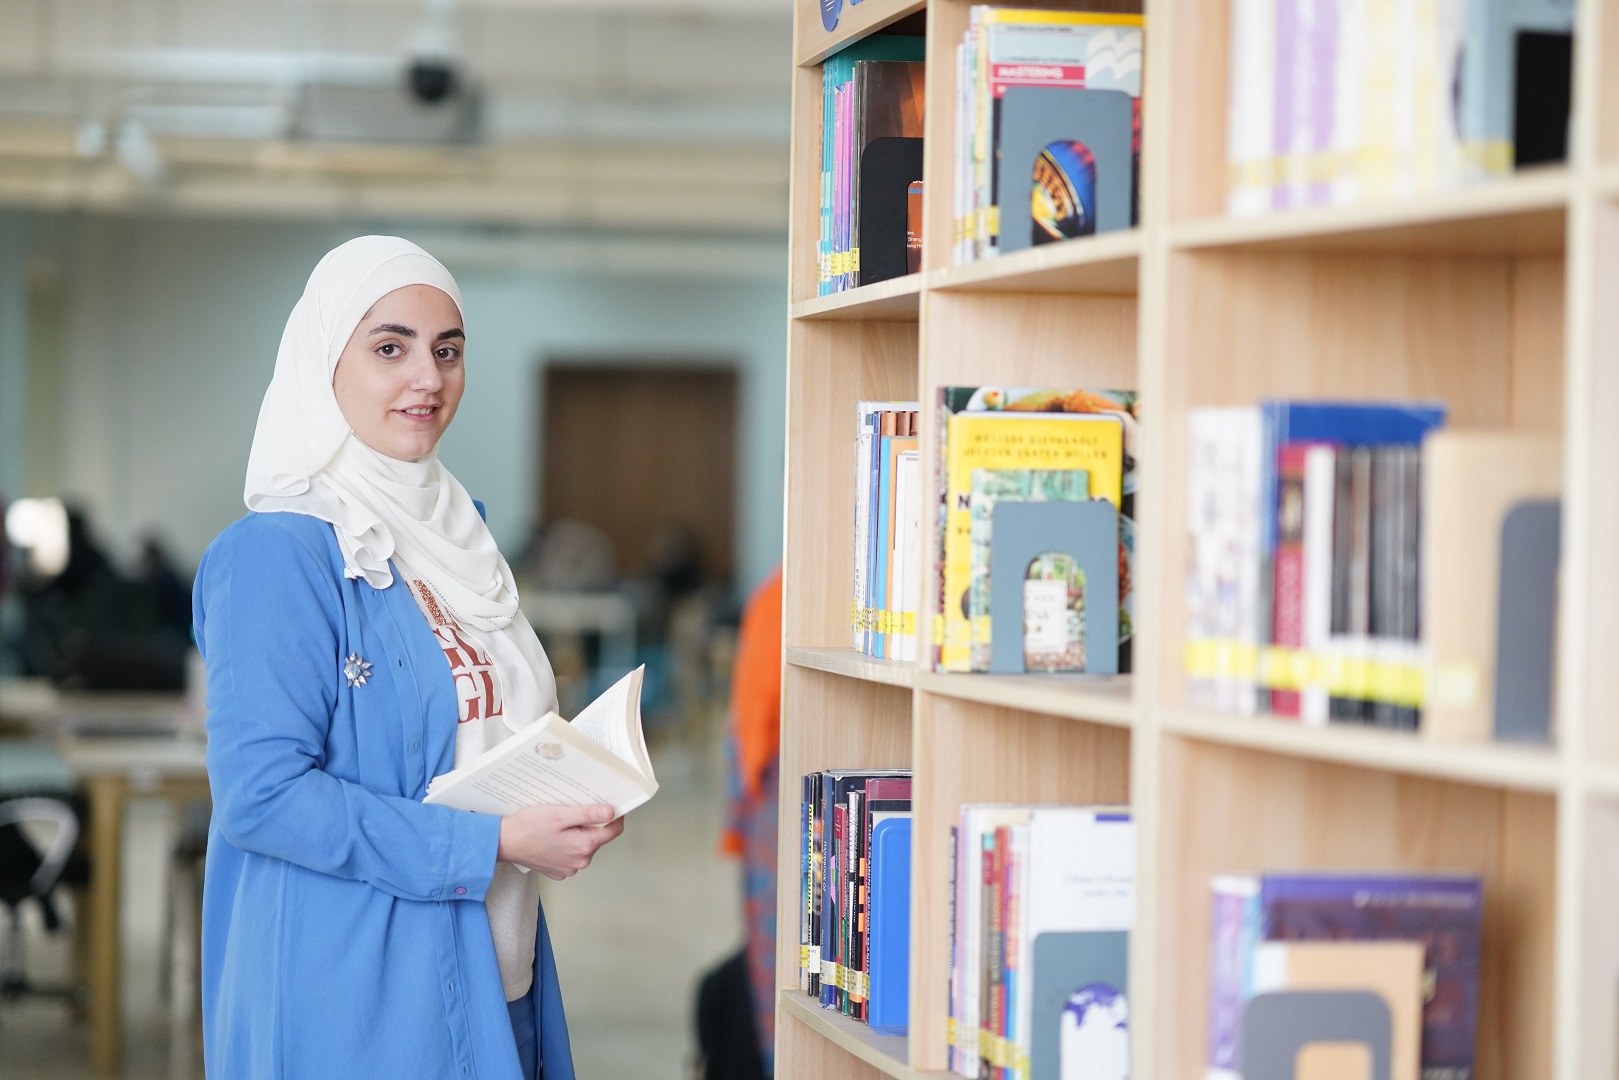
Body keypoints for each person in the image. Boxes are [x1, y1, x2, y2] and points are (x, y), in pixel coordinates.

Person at [193, 236, 623, 1080]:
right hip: (354, 995)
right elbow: (263, 799)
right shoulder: (278, 555)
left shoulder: (461, 538)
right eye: (389, 347)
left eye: (447, 351)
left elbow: (479, 734)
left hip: (494, 962)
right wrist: (493, 842)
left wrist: (574, 795)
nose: (427, 377)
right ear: (325, 361)